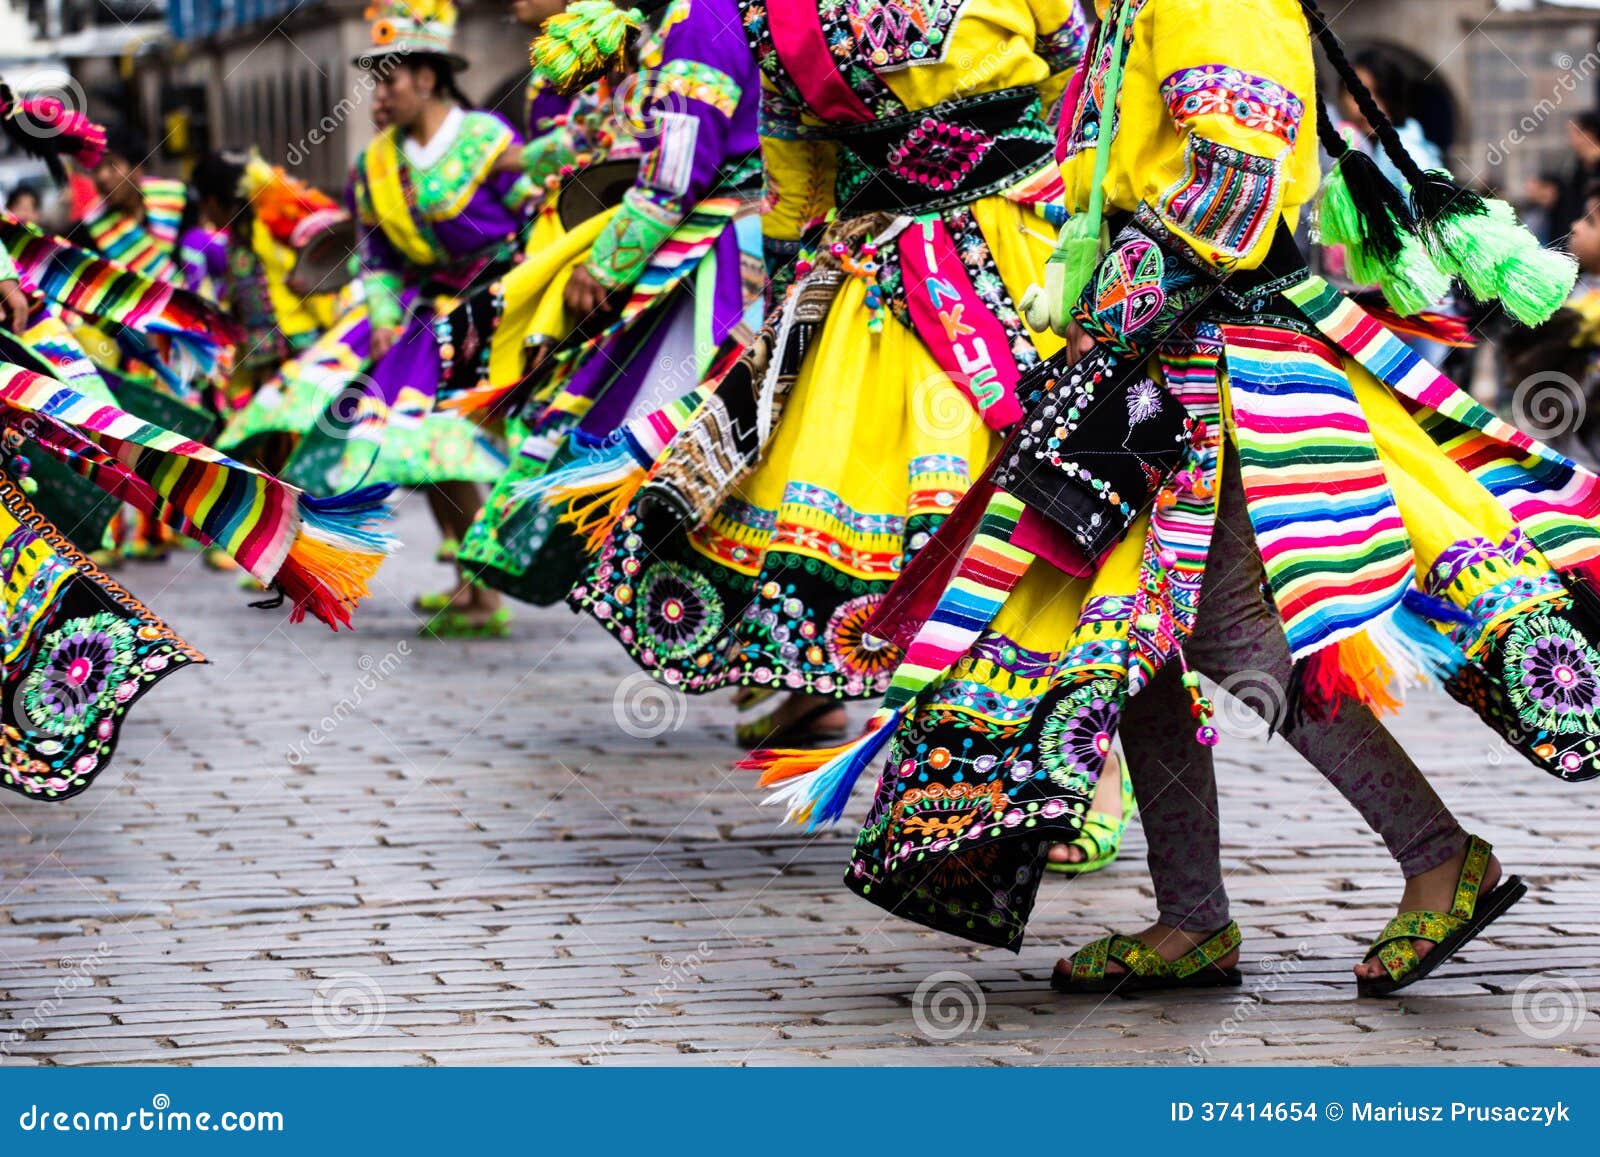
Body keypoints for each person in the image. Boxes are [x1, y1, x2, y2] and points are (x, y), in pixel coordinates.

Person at [752, 0, 1600, 999]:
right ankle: (1193, 911)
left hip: (1203, 361)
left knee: (1228, 635)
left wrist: (1105, 327)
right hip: (1162, 356)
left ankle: (1432, 857)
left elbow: (1234, 188)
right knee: (1132, 631)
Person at [538, 0, 1089, 756]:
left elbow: (1085, 81)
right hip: (886, 276)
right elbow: (795, 167)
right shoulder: (771, 11)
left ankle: (1084, 761)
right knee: (942, 515)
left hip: (1027, 248)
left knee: (1052, 500)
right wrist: (791, 312)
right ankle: (961, 764)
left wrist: (1087, 227)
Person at [439, 0, 764, 619]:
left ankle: (713, 614)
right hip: (736, 241)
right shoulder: (672, 25)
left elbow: (676, 170)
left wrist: (605, 265)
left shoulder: (698, 17)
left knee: (669, 440)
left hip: (721, 257)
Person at [236, 1, 530, 636]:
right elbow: (375, 253)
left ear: (427, 78)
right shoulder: (374, 166)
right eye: (375, 82)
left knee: (450, 448)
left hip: (503, 305)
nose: (378, 96)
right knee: (415, 450)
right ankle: (471, 586)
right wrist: (382, 313)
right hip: (425, 317)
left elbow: (537, 217)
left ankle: (485, 587)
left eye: (390, 79)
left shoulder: (490, 142)